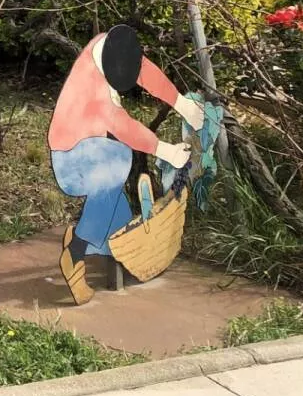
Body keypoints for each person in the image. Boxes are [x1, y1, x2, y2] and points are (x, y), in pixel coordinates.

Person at [48, 24, 203, 304]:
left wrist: (181, 103)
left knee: (113, 206)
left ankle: (120, 252)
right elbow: (123, 126)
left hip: (93, 152)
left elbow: (146, 72)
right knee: (118, 158)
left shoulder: (108, 47)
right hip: (71, 161)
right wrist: (165, 151)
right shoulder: (92, 87)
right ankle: (76, 251)